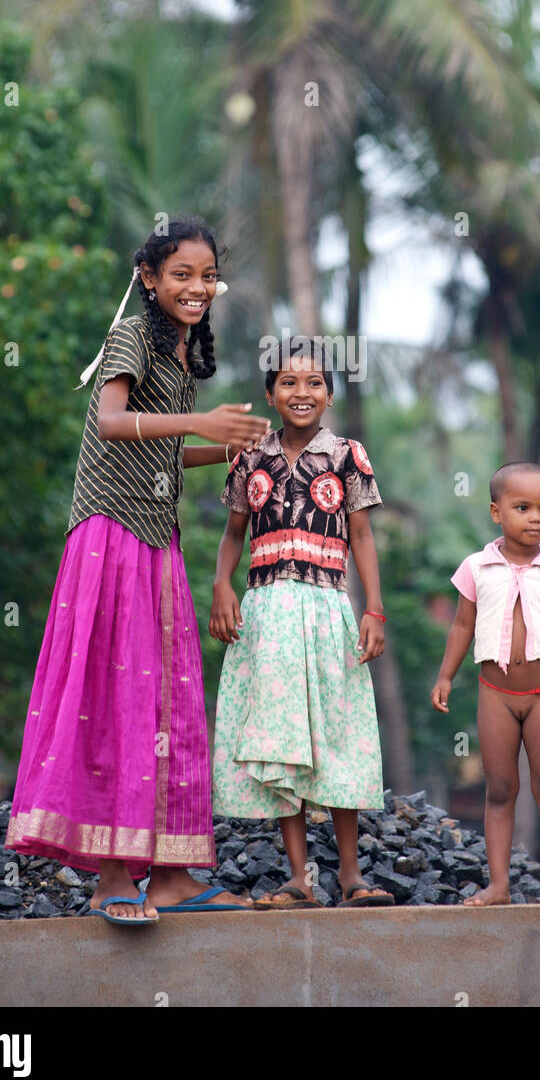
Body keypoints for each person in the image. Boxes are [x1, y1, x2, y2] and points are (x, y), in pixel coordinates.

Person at [5, 218, 271, 923]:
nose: (196, 286)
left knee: (166, 706)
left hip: (157, 540)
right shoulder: (131, 335)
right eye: (181, 274)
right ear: (149, 278)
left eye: (208, 275)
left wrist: (238, 448)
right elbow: (114, 422)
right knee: (116, 699)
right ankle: (113, 876)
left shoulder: (180, 355)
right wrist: (200, 424)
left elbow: (163, 452)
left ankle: (175, 876)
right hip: (110, 538)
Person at [209, 342, 395, 908]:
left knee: (337, 734)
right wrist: (222, 585)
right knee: (284, 740)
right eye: (288, 383)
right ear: (270, 394)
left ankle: (351, 875)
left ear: (330, 395)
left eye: (314, 383)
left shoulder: (346, 455)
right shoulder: (251, 456)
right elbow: (235, 533)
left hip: (327, 608)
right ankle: (298, 877)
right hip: (266, 614)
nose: (302, 393)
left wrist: (374, 609)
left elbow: (361, 536)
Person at [430, 461, 540, 906]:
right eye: (523, 507)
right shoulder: (476, 568)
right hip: (495, 695)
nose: (536, 518)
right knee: (499, 788)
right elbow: (462, 627)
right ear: (496, 512)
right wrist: (446, 675)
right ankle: (499, 884)